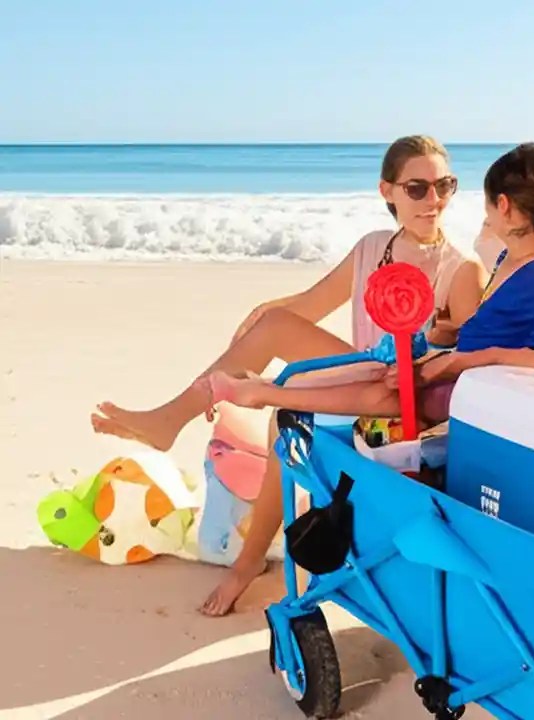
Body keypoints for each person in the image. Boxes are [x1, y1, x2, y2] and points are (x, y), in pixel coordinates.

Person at [89, 134, 488, 615]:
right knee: (278, 364)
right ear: (388, 191)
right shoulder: (373, 248)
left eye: (444, 185)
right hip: (360, 374)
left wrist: (423, 354)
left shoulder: (462, 269)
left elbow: (465, 369)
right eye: (418, 188)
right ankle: (183, 441)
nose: (435, 200)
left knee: (282, 398)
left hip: (401, 397)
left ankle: (184, 445)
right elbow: (312, 305)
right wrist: (260, 317)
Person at [204, 142, 534, 443]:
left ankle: (264, 392)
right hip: (460, 385)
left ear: (505, 206)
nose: (484, 217)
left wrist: (453, 363)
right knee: (382, 382)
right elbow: (505, 330)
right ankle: (261, 390)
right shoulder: (514, 262)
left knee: (380, 393)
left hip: (469, 400)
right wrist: (445, 341)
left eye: (487, 205)